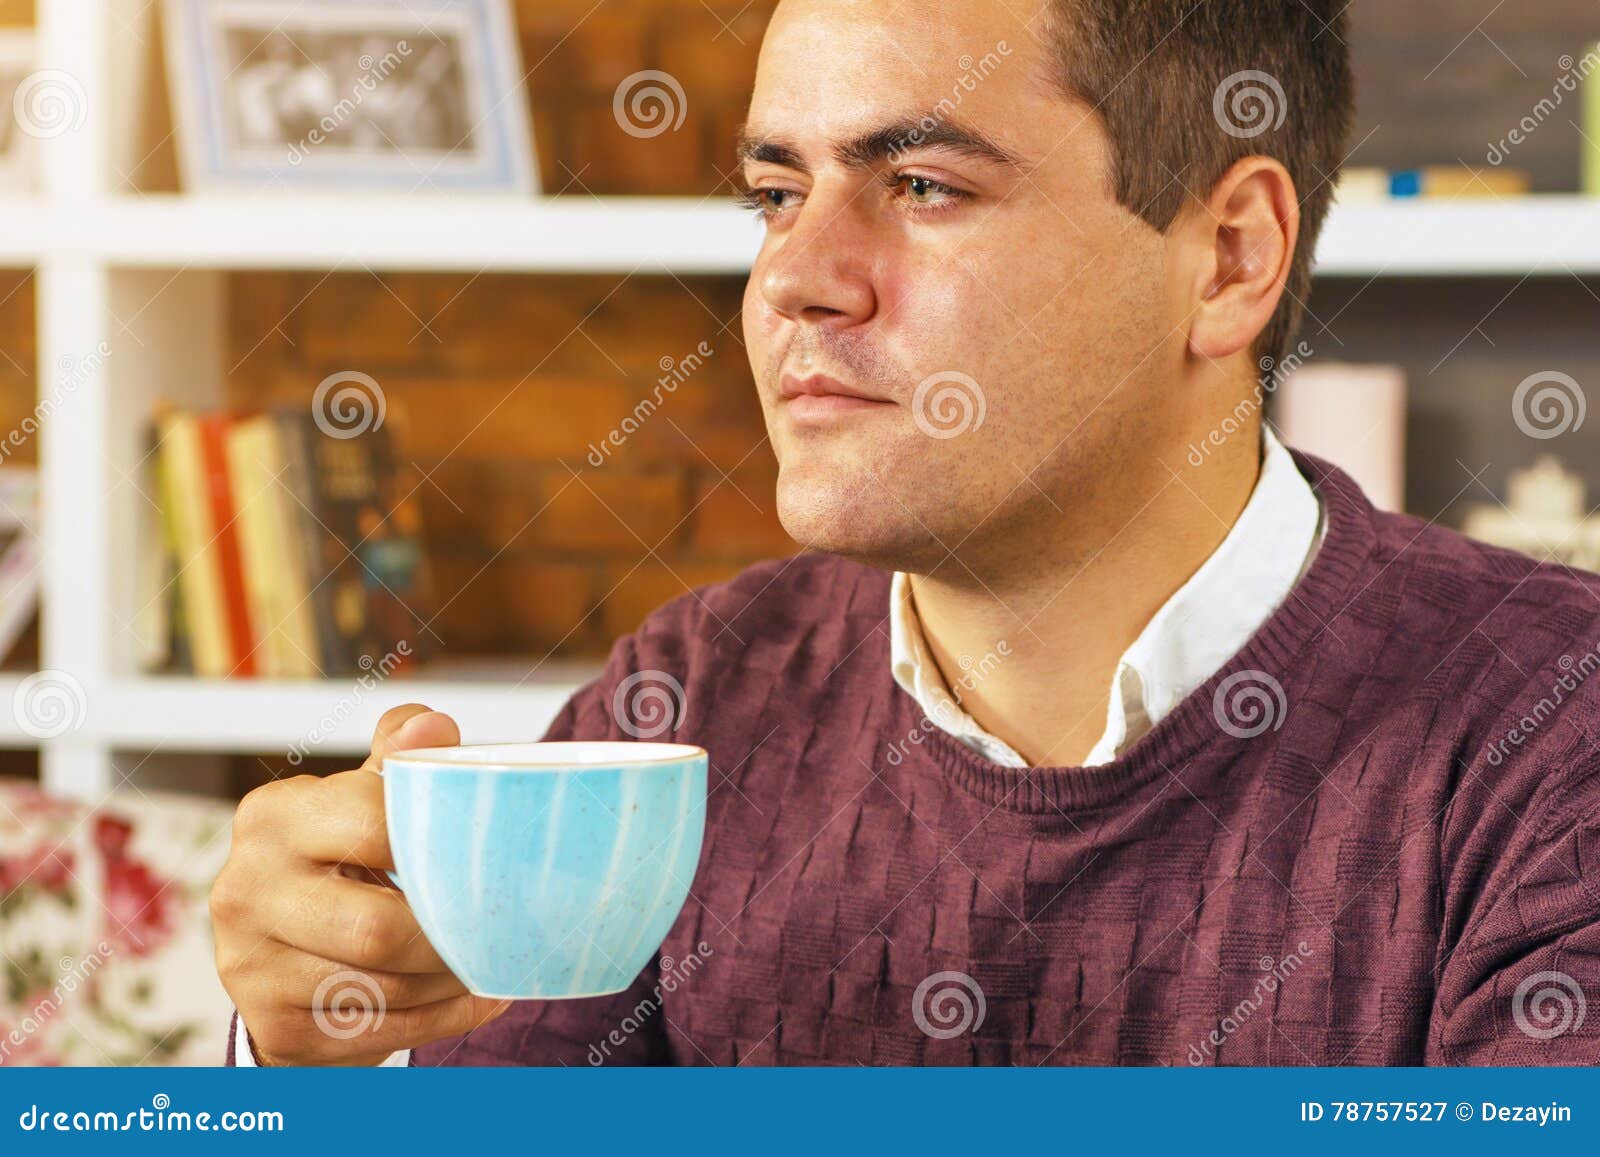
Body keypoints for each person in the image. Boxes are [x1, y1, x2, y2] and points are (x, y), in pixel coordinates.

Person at [213, 0, 1600, 1066]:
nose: (793, 281)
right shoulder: (687, 700)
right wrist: (313, 1064)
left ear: (1230, 256)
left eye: (925, 185)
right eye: (776, 195)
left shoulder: (1554, 736)